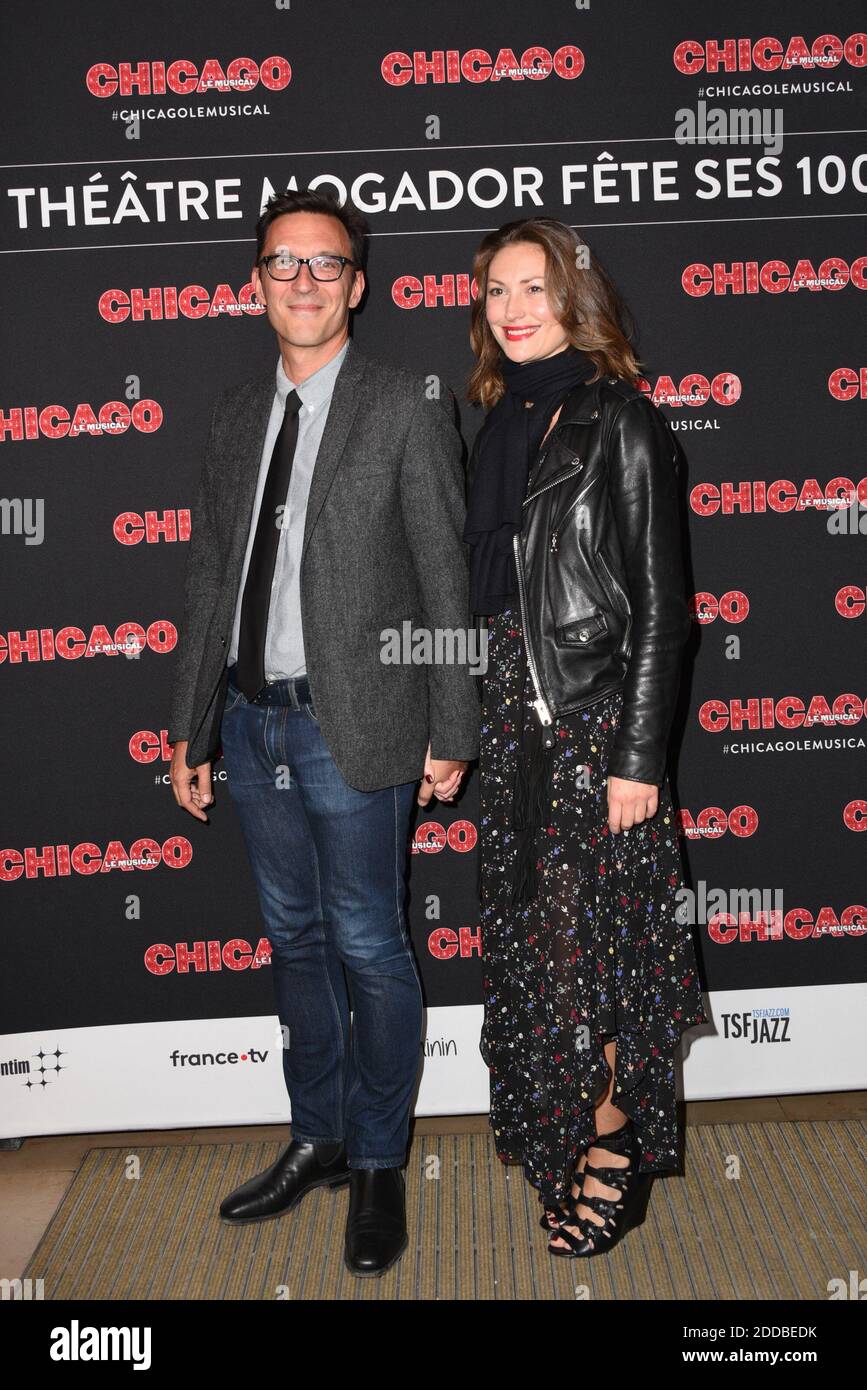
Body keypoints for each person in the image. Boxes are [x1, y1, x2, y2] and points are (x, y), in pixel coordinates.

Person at [168, 188, 479, 1277]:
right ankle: (321, 1135)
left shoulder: (404, 402)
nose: (301, 281)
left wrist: (454, 724)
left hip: (359, 726)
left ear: (358, 281)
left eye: (323, 263)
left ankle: (382, 1160)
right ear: (256, 283)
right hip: (251, 726)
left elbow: (447, 576)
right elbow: (212, 574)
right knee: (294, 943)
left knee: (367, 943)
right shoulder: (229, 412)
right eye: (281, 263)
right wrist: (191, 725)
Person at [463, 216, 708, 1258]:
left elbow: (666, 605)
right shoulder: (495, 426)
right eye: (498, 291)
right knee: (539, 954)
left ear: (577, 299)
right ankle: (578, 1126)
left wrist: (637, 759)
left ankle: (611, 1145)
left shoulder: (623, 420)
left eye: (536, 287)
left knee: (592, 962)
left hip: (593, 727)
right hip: (515, 727)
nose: (516, 310)